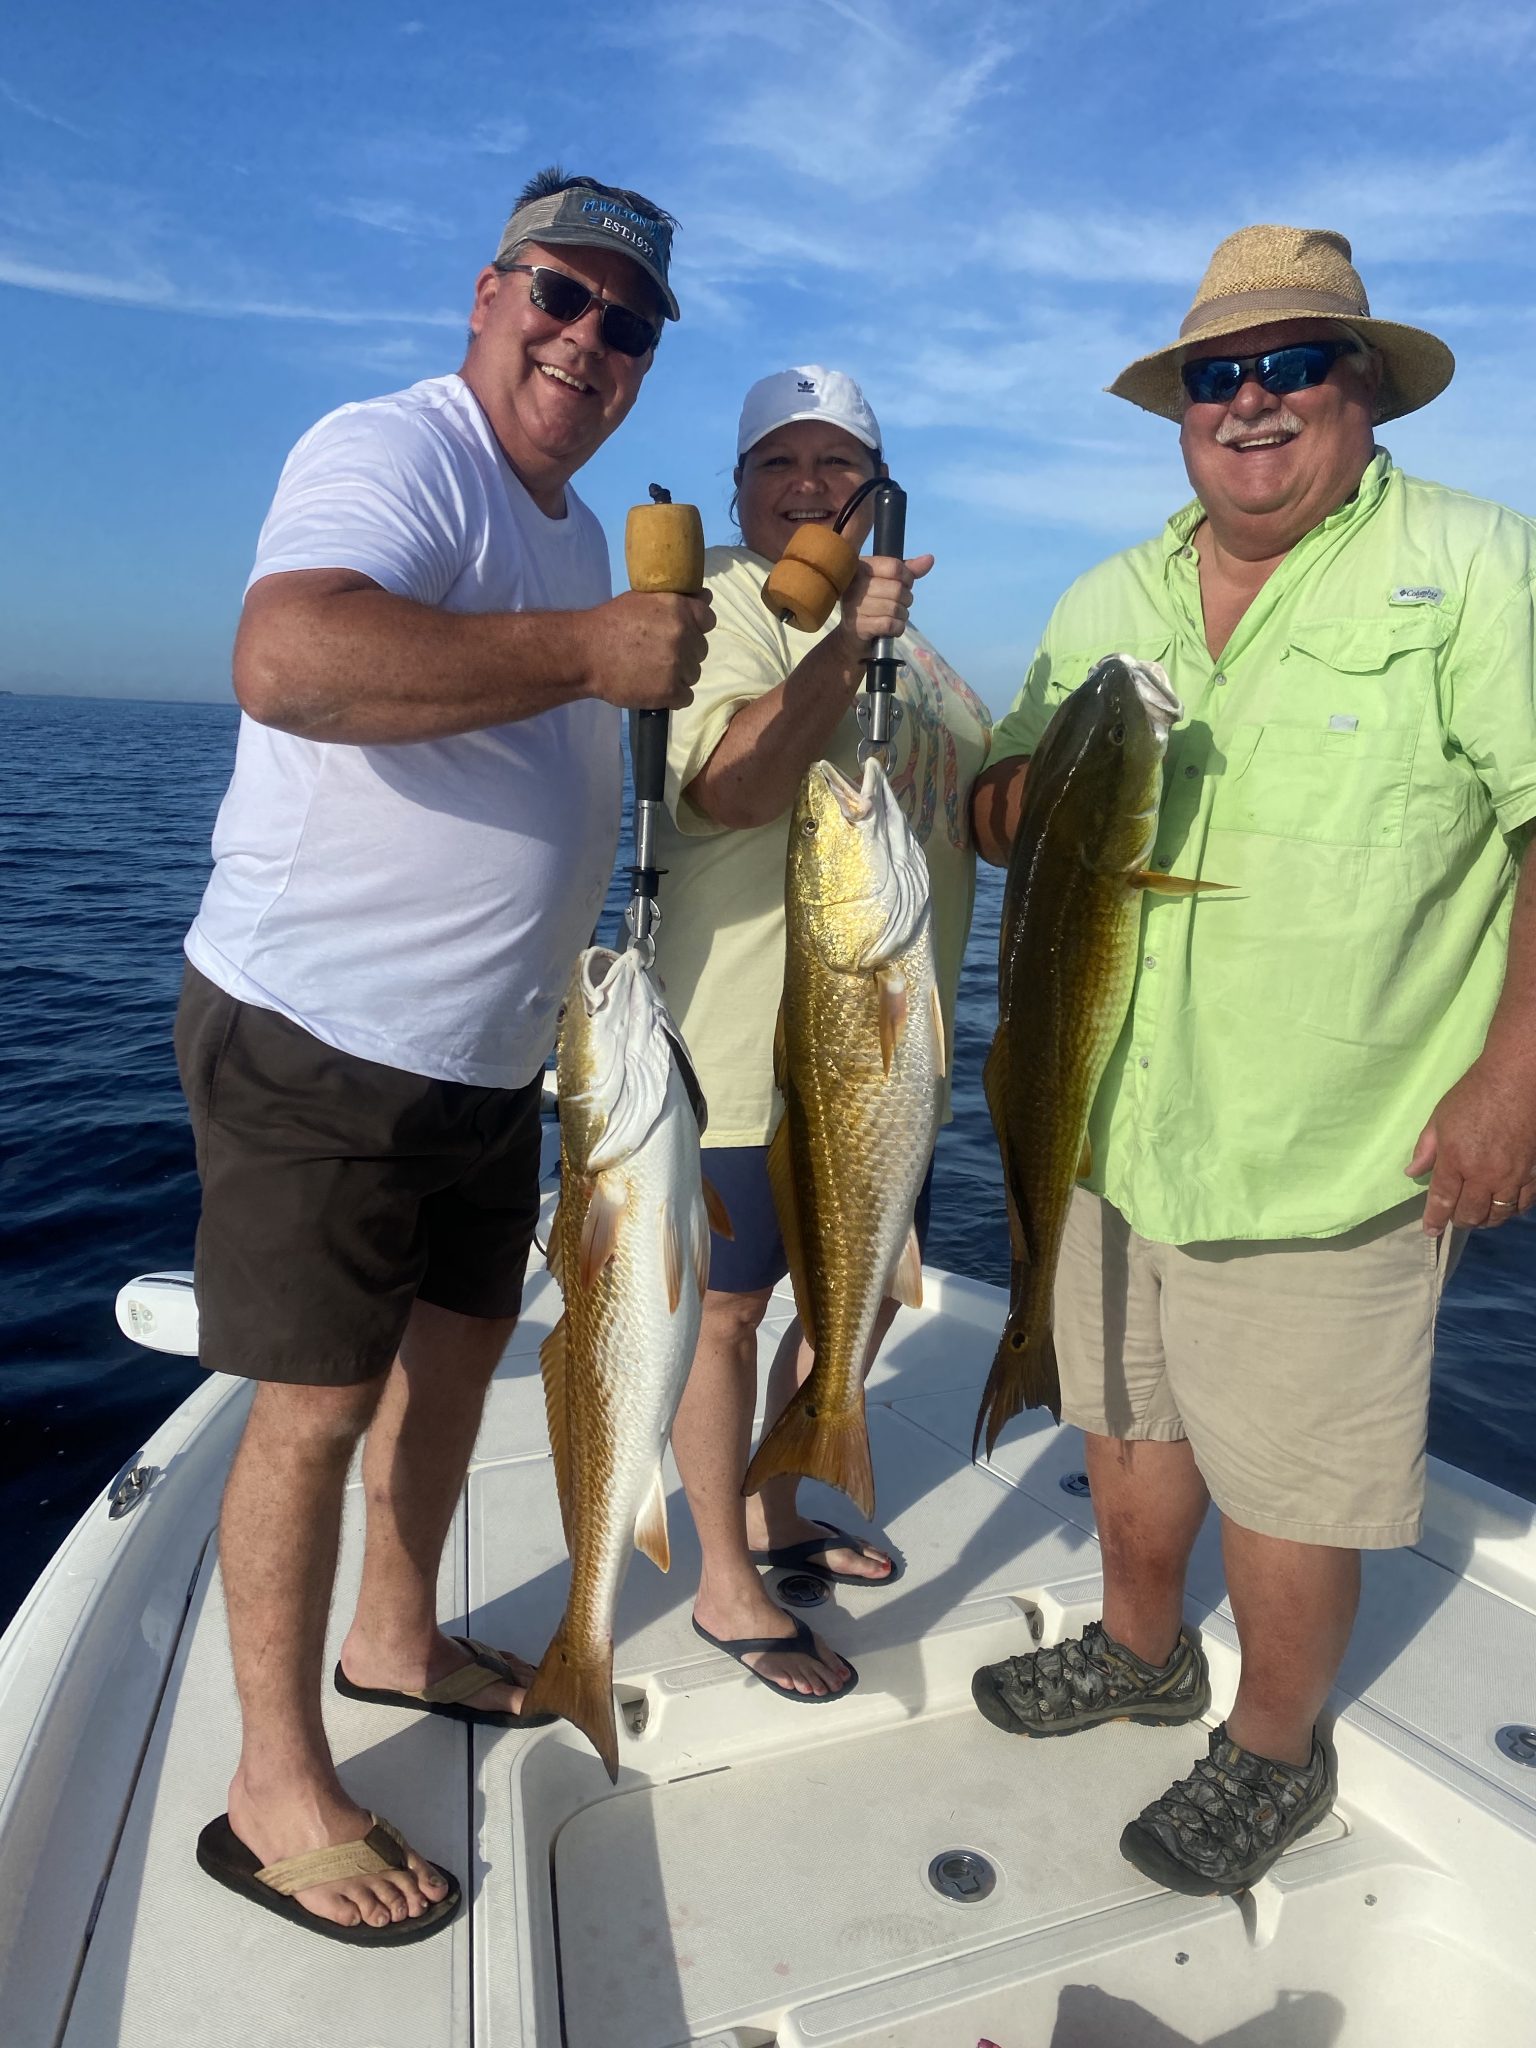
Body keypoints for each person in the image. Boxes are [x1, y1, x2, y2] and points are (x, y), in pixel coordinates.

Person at [175, 168, 713, 1943]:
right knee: (317, 1404)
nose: (587, 339)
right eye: (560, 295)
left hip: (497, 1053)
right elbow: (286, 658)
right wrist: (593, 651)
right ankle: (273, 1786)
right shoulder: (395, 450)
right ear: (488, 296)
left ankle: (394, 1637)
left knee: (462, 1357)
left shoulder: (574, 521)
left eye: (626, 324)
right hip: (326, 1032)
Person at [967, 224, 1536, 1896]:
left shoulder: (1477, 564)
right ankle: (1140, 1650)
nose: (1252, 400)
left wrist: (1514, 1078)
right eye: (1217, 374)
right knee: (1126, 1421)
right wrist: (1035, 788)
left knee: (1291, 1484)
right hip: (1104, 1121)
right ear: (1181, 407)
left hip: (1327, 1148)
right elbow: (998, 810)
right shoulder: (1105, 598)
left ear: (1367, 389)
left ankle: (1275, 1746)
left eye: (1295, 364)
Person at [651, 367, 993, 1699]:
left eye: (836, 463)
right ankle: (722, 1581)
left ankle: (777, 1506)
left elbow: (977, 812)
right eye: (776, 462)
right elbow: (732, 788)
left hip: (891, 1053)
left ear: (879, 485)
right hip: (743, 1047)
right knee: (730, 1310)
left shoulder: (921, 648)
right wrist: (845, 642)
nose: (807, 485)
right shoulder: (715, 605)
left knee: (856, 1292)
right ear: (738, 487)